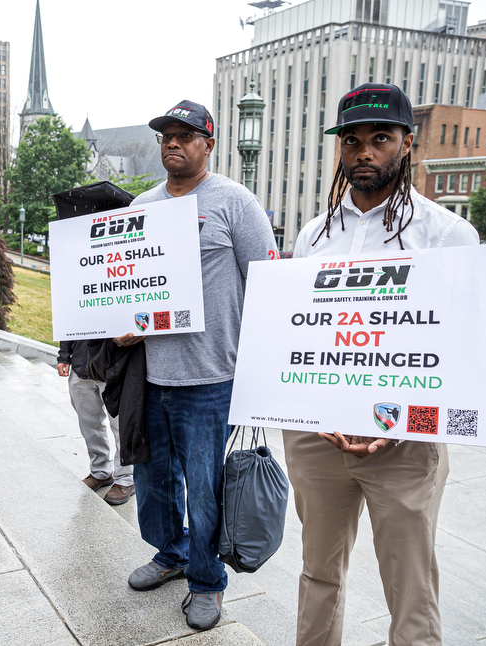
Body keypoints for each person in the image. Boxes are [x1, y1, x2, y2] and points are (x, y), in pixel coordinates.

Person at [283, 83, 478, 646]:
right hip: (319, 439)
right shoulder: (313, 236)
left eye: (380, 138)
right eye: (352, 140)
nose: (364, 151)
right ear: (340, 148)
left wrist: (403, 420)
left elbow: (465, 351)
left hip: (406, 445)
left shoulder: (446, 235)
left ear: (407, 142)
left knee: (411, 588)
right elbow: (300, 339)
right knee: (318, 573)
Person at [116, 100, 277, 631]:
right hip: (150, 375)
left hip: (211, 379)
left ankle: (207, 583)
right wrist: (120, 321)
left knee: (205, 490)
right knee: (155, 480)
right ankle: (172, 554)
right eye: (166, 136)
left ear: (209, 144)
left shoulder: (236, 202)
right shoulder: (142, 205)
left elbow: (267, 287)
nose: (174, 144)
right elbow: (125, 284)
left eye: (186, 136)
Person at [57, 340, 135, 505]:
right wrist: (64, 355)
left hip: (115, 365)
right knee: (89, 425)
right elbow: (68, 319)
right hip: (80, 365)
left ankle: (126, 479)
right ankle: (101, 471)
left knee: (122, 427)